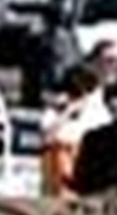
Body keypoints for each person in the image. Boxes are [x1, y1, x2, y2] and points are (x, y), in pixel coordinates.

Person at [41, 65, 108, 196]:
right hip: (61, 164)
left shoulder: (98, 112)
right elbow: (47, 136)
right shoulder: (55, 112)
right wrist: (67, 112)